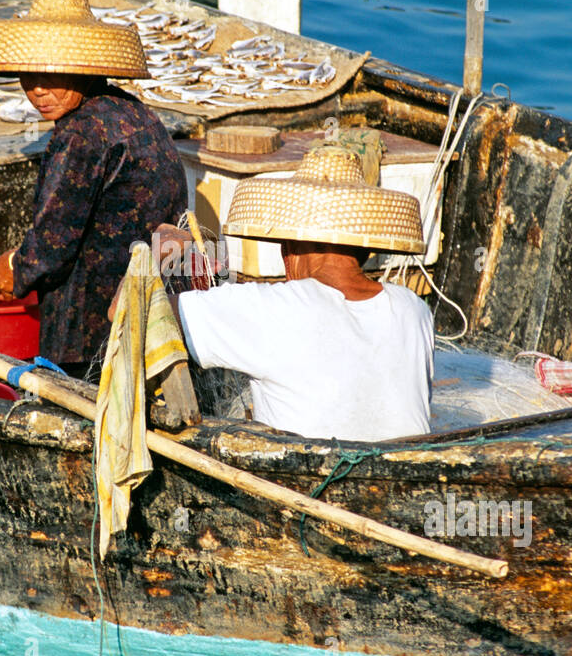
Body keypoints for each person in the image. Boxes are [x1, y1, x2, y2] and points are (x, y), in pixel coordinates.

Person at [0, 0, 187, 377]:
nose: (37, 90)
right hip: (152, 305)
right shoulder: (132, 112)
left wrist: (7, 272)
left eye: (51, 75)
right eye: (28, 76)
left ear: (84, 70)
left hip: (93, 327)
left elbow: (50, 248)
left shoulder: (81, 134)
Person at [163, 147, 434, 442]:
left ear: (289, 249)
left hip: (302, 482)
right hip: (407, 471)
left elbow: (137, 313)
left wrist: (157, 254)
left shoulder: (272, 309)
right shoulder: (415, 310)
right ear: (365, 251)